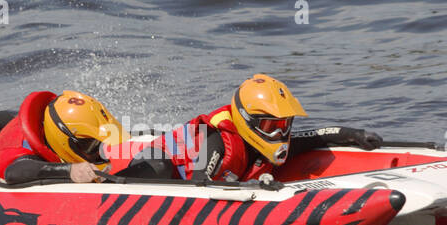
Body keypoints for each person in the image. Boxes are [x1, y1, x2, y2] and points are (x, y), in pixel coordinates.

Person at [116, 74, 380, 182]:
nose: (280, 135)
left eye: (284, 126)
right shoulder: (218, 141)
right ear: (247, 120)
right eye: (271, 126)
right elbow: (198, 185)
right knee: (160, 167)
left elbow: (312, 137)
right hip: (154, 166)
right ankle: (105, 182)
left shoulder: (269, 143)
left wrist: (353, 135)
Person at [0, 90, 127, 184]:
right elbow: (14, 172)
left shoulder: (39, 121)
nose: (99, 152)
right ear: (64, 140)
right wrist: (70, 170)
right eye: (92, 146)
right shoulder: (22, 158)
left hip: (3, 144)